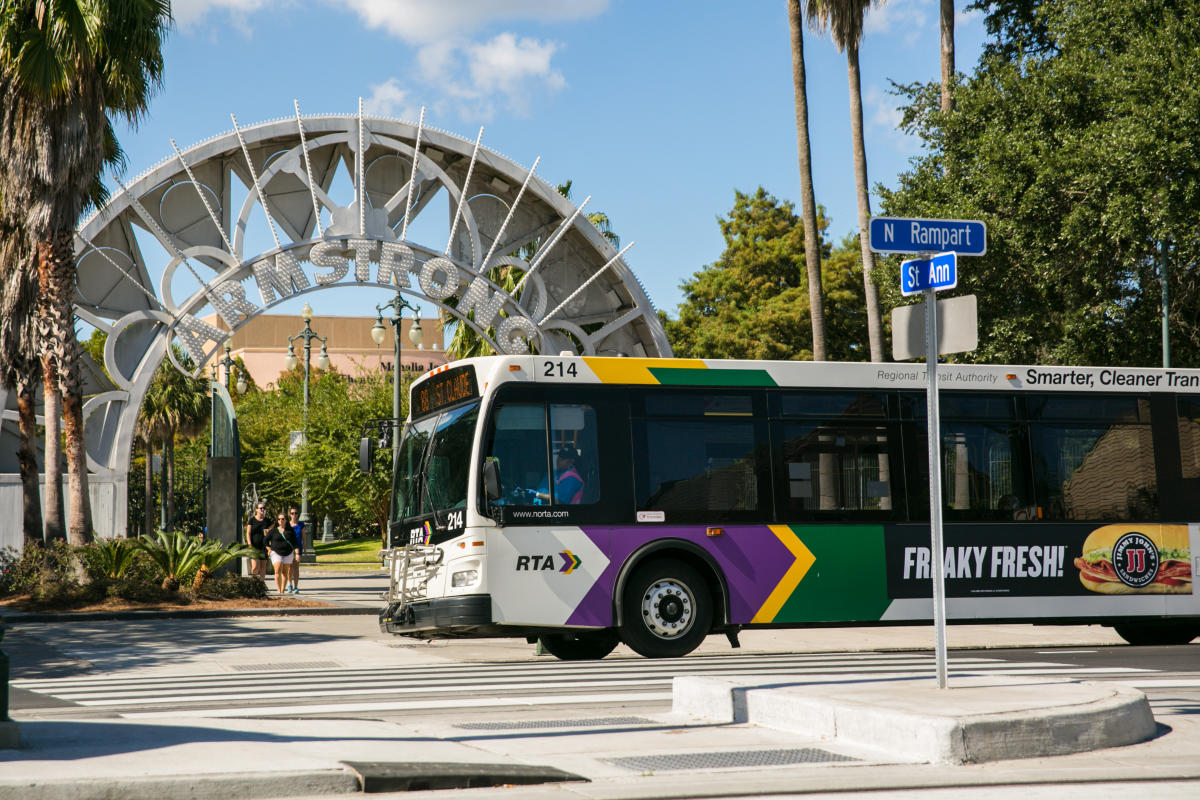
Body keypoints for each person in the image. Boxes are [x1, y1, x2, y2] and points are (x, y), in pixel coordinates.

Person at [265, 511, 296, 594]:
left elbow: (295, 542)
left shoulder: (290, 531)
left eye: (283, 519)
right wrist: (269, 549)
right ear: (277, 521)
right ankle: (278, 590)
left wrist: (295, 550)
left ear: (286, 520)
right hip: (276, 552)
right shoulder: (273, 530)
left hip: (288, 553)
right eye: (279, 519)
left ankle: (282, 590)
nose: (281, 521)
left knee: (285, 572)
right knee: (277, 570)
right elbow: (265, 540)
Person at [245, 502, 270, 580]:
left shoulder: (267, 521)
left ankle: (261, 585)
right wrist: (249, 545)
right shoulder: (252, 520)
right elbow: (248, 533)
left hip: (264, 547)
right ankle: (254, 583)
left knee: (263, 568)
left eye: (264, 508)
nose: (262, 510)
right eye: (261, 508)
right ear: (256, 510)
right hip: (254, 547)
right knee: (255, 567)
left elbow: (271, 532)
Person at [285, 505, 304, 594]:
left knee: (296, 567)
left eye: (296, 513)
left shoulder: (301, 524)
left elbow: (303, 537)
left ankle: (296, 586)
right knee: (289, 567)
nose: (294, 515)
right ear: (290, 514)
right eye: (292, 513)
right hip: (289, 548)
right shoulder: (287, 524)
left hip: (298, 548)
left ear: (298, 514)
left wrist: (305, 549)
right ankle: (289, 585)